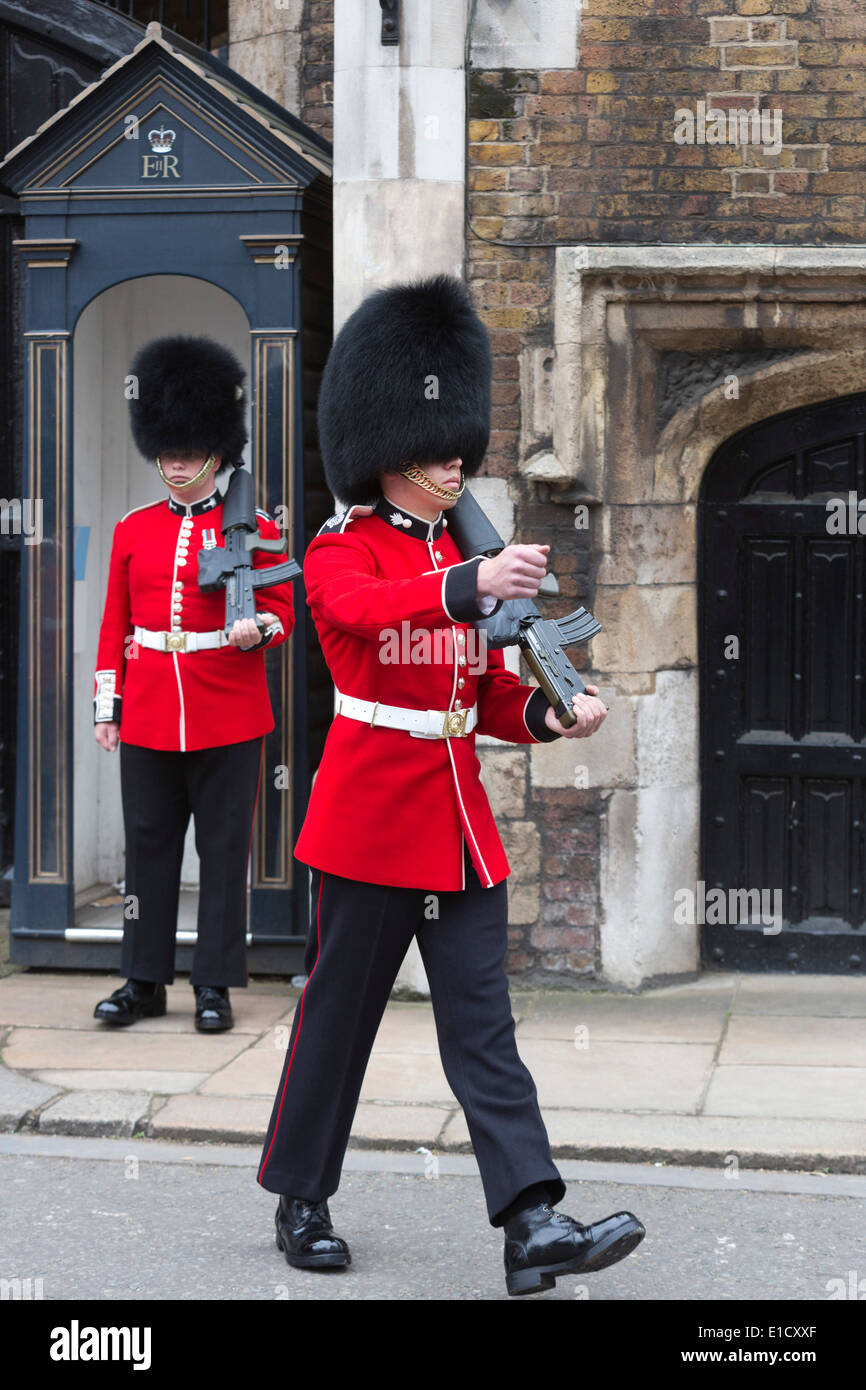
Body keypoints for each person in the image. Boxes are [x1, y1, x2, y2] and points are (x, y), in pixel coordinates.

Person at [256, 275, 645, 1296]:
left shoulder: (457, 557)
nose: (452, 461)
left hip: (457, 825)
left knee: (482, 1025)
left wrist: (552, 711)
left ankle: (530, 1224)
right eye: (436, 447)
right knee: (338, 1017)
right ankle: (301, 1195)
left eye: (458, 447)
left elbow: (482, 697)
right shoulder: (342, 547)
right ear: (384, 450)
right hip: (368, 821)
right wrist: (471, 583)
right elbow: (364, 612)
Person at [91, 335, 295, 1033]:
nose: (174, 461)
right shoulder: (132, 529)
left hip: (230, 711)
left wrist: (257, 631)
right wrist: (107, 705)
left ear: (215, 450)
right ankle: (142, 979)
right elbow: (114, 623)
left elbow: (283, 611)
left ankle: (215, 984)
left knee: (222, 851)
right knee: (146, 846)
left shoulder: (257, 528)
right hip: (148, 710)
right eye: (166, 450)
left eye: (187, 450)